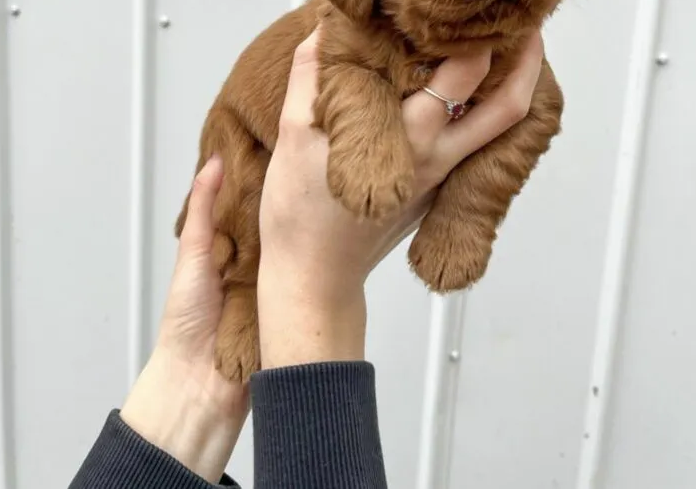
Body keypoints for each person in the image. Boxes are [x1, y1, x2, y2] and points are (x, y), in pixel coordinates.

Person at [68, 28, 544, 488]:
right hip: (247, 160)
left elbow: (540, 108)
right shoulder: (357, 27)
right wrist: (311, 289)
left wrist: (466, 210)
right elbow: (348, 66)